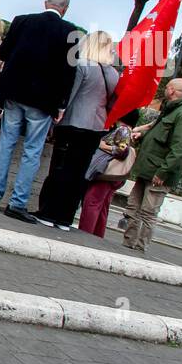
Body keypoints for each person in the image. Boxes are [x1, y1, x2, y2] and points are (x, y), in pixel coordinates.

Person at [0, 0, 79, 223]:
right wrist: (61, 105)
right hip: (44, 100)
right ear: (65, 9)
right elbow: (69, 73)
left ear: (45, 3)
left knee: (6, 142)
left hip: (14, 92)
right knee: (32, 151)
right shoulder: (73, 33)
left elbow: (4, 53)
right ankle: (17, 204)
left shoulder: (21, 21)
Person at [34, 30, 120, 230]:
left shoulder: (82, 65)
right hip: (95, 127)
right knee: (79, 173)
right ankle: (65, 218)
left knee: (60, 169)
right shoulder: (113, 74)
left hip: (73, 123)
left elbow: (69, 97)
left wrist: (56, 118)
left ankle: (48, 212)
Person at [121, 78, 182, 252]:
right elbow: (158, 134)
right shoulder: (170, 110)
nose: (165, 89)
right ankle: (128, 243)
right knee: (133, 206)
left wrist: (163, 173)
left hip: (158, 173)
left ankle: (140, 247)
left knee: (148, 212)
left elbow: (181, 150)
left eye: (168, 87)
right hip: (147, 168)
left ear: (172, 91)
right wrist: (142, 136)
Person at [79, 113, 137, 238]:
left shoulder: (123, 129)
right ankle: (96, 235)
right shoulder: (128, 131)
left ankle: (85, 233)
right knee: (102, 206)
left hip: (106, 173)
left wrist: (102, 145)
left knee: (92, 203)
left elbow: (122, 151)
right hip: (112, 176)